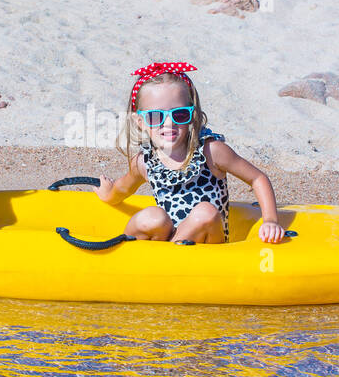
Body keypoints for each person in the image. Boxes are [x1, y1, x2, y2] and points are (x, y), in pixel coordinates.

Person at [95, 61, 285, 244]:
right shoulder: (144, 162)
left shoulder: (211, 151)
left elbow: (257, 178)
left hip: (206, 245)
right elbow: (122, 189)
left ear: (192, 114)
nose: (168, 123)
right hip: (170, 241)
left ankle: (170, 259)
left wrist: (270, 220)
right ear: (141, 122)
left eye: (179, 114)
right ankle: (124, 253)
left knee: (205, 212)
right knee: (153, 217)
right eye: (155, 116)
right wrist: (107, 193)